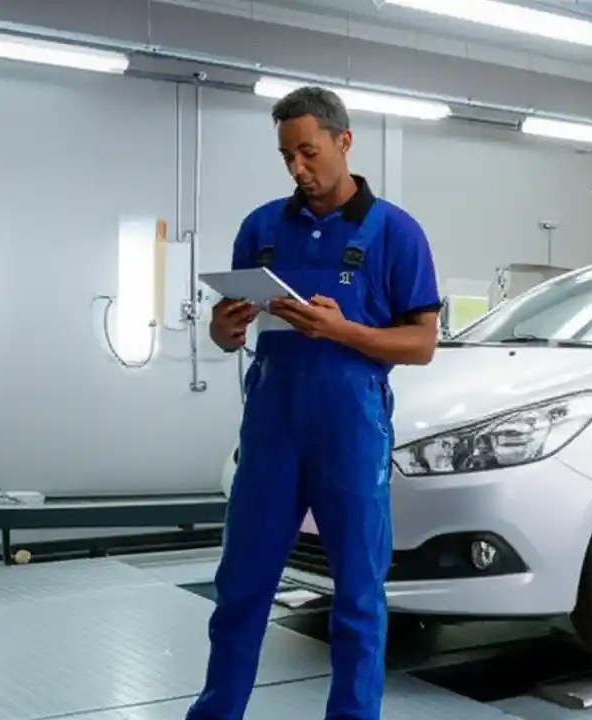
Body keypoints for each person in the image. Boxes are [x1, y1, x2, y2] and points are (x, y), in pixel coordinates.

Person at [187, 86, 441, 720]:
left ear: (343, 141)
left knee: (357, 596)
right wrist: (226, 328)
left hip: (352, 433)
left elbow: (422, 343)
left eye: (308, 152)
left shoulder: (396, 234)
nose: (298, 169)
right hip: (272, 428)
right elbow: (224, 337)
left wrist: (344, 331)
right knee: (241, 589)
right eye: (286, 157)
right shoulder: (262, 228)